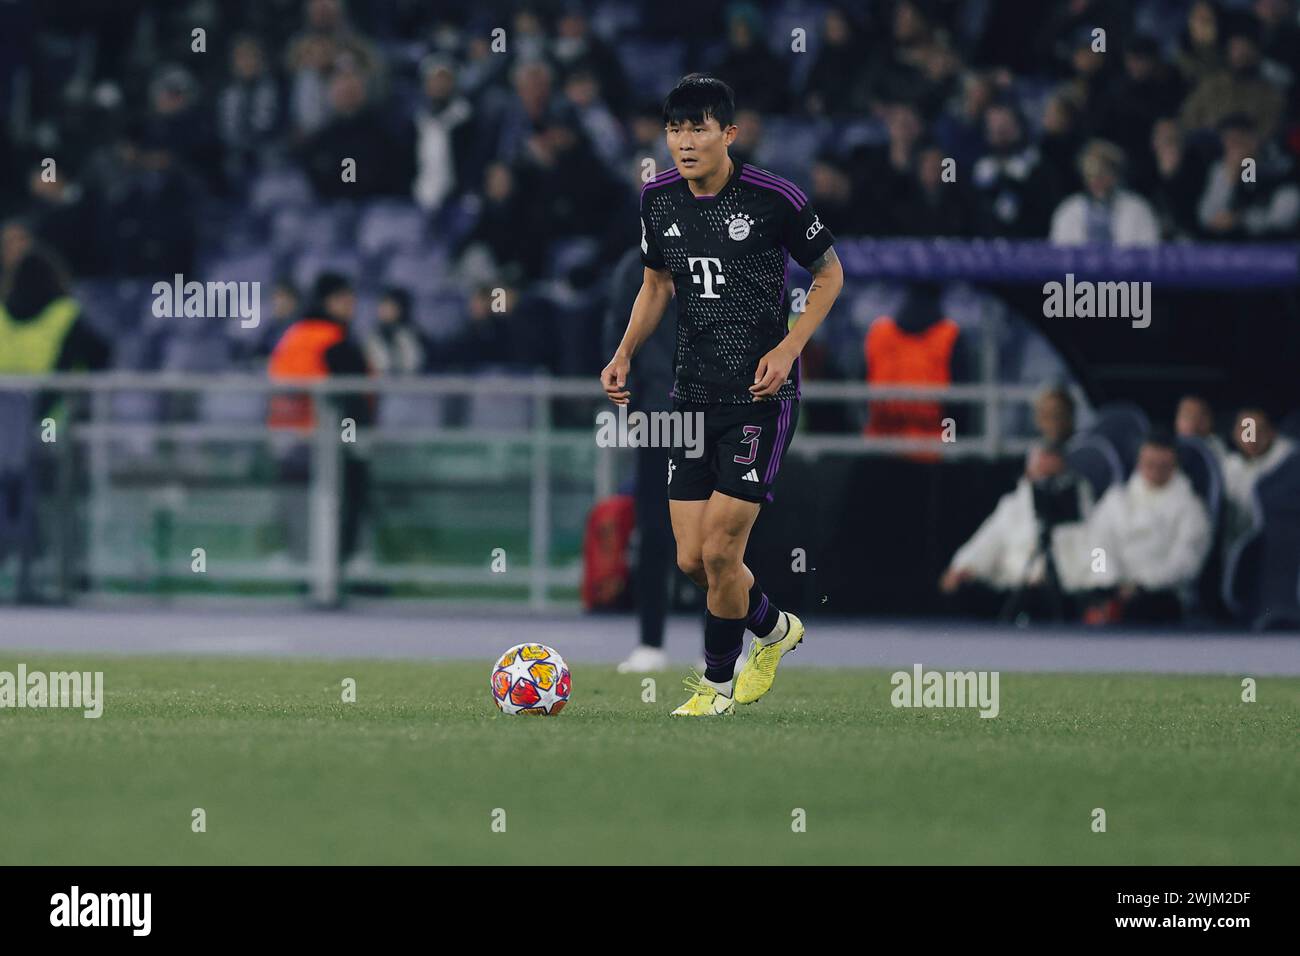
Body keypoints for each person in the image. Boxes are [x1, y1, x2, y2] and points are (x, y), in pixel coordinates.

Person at [600, 75, 843, 716]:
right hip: (691, 398)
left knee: (721, 550)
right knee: (691, 560)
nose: (684, 141)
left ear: (727, 133)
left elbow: (829, 273)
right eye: (675, 128)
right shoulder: (658, 199)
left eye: (698, 128)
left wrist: (789, 348)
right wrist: (624, 353)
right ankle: (773, 628)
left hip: (761, 397)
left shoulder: (774, 198)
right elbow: (656, 286)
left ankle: (715, 687)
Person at [602, 247, 677, 673]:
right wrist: (635, 409)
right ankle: (651, 643)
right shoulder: (635, 267)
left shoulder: (720, 252)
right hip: (659, 416)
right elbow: (617, 334)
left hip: (712, 410)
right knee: (655, 529)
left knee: (719, 532)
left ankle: (727, 645)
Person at [939, 445, 1095, 619]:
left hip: (1068, 594)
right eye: (1042, 475)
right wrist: (963, 566)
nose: (1047, 485)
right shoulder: (1011, 507)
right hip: (1018, 591)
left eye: (1053, 477)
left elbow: (1097, 553)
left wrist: (1101, 582)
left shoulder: (1084, 509)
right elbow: (986, 542)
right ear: (1029, 473)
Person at [1084, 430, 1212, 623]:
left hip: (1160, 593)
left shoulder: (1190, 507)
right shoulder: (1116, 499)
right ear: (1139, 463)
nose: (1155, 470)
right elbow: (1097, 544)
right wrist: (1109, 580)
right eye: (1150, 464)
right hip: (1113, 587)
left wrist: (1142, 585)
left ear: (1174, 465)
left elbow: (1186, 561)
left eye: (1163, 466)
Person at [1049, 139, 1160, 247]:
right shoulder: (1068, 210)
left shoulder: (1138, 208)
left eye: (1103, 173)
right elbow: (1058, 254)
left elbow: (1150, 251)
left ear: (1115, 175)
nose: (1097, 180)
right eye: (1091, 175)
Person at [1222, 405, 1296, 548]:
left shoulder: (1289, 460)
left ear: (1272, 432)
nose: (1252, 437)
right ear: (1235, 434)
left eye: (1259, 430)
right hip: (1243, 543)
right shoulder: (1229, 466)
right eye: (1246, 431)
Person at [1174, 394, 1229, 465]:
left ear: (1210, 420)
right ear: (1177, 420)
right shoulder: (1165, 448)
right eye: (1187, 416)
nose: (1193, 423)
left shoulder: (1218, 446)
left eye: (1200, 417)